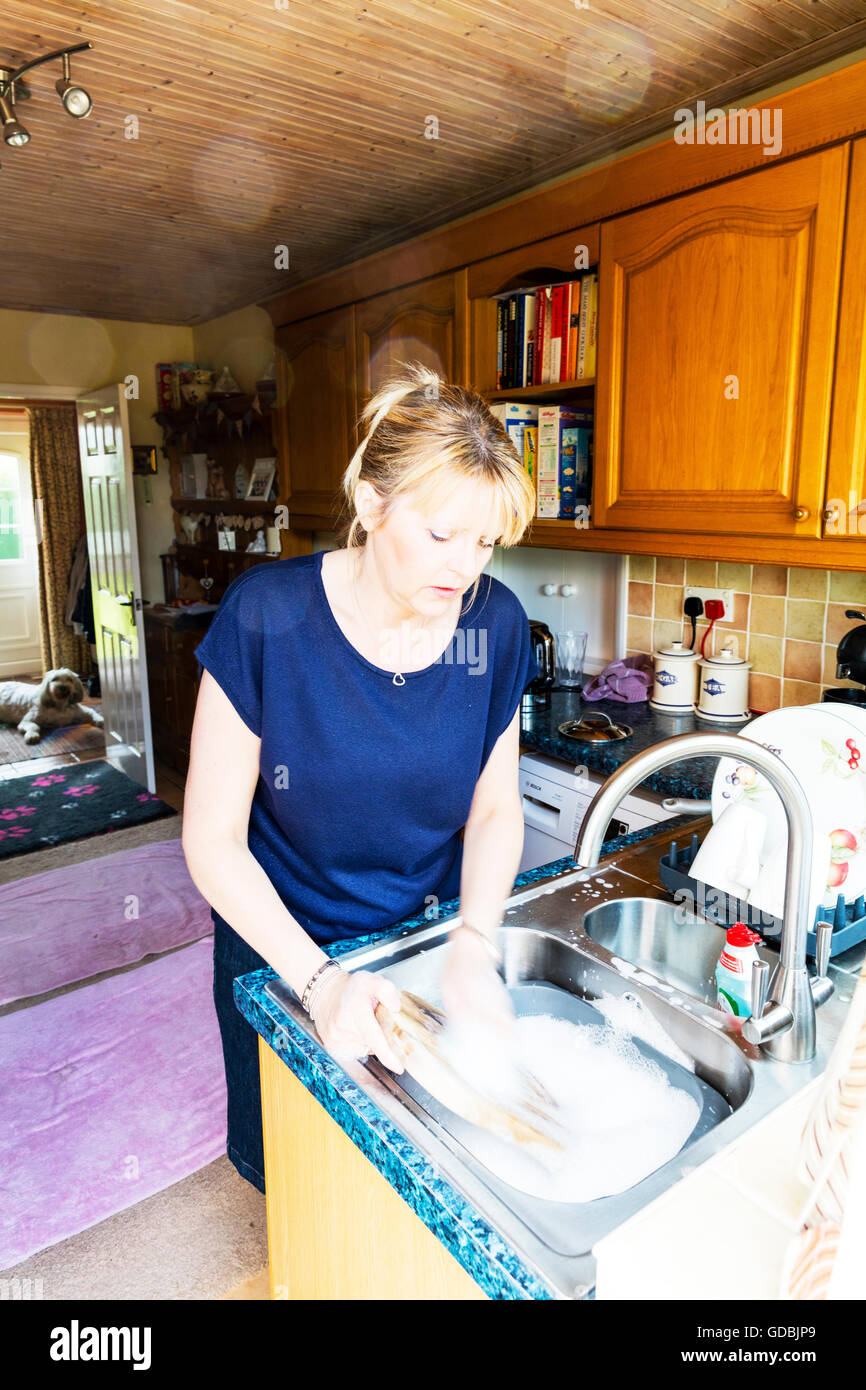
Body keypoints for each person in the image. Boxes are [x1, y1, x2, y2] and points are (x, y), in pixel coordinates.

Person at [182, 361, 539, 1195]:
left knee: (412, 1189)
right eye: (443, 534)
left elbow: (494, 812)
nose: (465, 568)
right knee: (302, 1184)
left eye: (484, 541)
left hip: (422, 940)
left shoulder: (494, 625)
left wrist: (473, 941)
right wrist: (320, 983)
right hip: (281, 944)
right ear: (372, 506)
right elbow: (212, 840)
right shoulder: (268, 617)